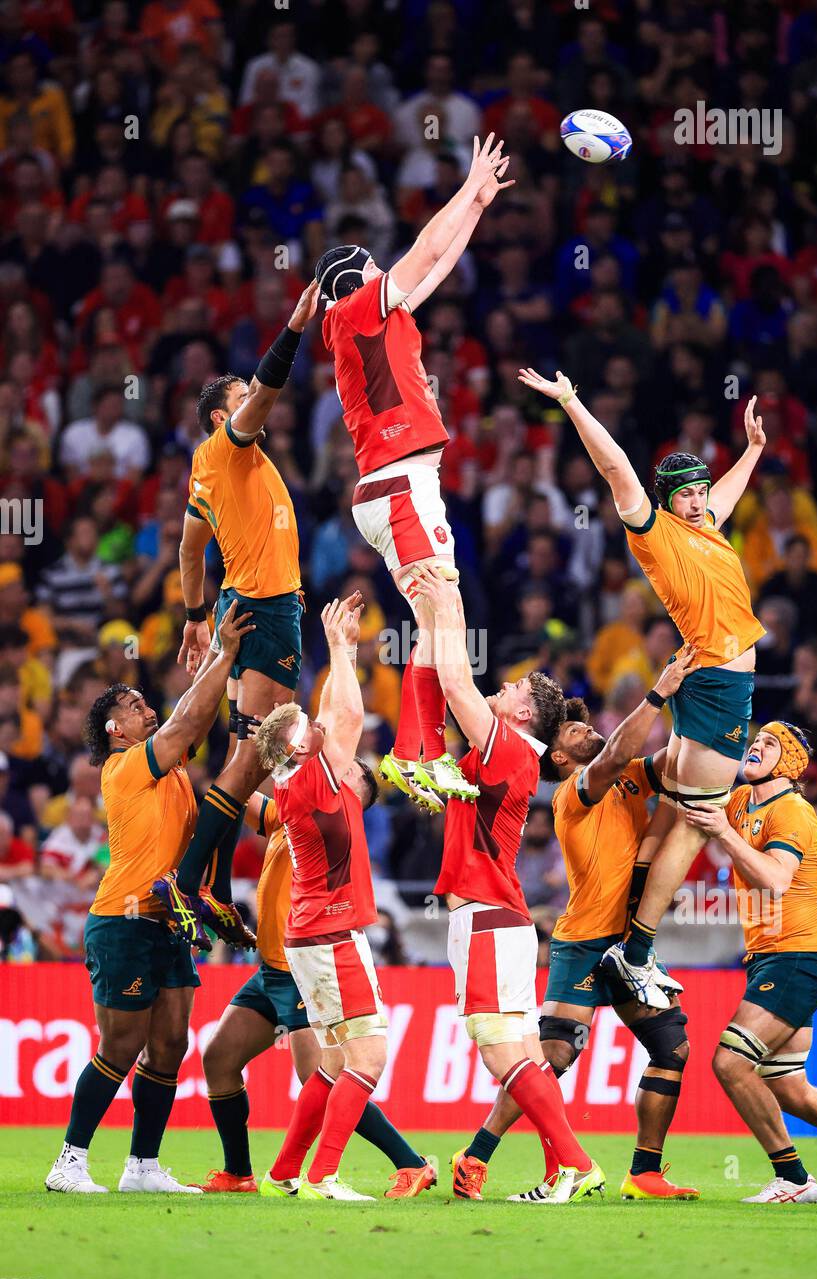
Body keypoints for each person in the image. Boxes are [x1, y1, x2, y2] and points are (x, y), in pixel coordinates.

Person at [519, 365, 767, 1009]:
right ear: (665, 500)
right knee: (700, 818)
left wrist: (753, 452)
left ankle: (631, 927)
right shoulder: (656, 534)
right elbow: (616, 469)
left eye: (701, 490)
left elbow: (726, 497)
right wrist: (573, 402)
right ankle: (637, 951)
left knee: (678, 803)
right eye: (685, 493)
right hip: (718, 686)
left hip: (703, 681)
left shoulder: (705, 524)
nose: (698, 498)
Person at [315, 133, 513, 814]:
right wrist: (465, 186)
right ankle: (419, 751)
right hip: (401, 487)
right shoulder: (352, 310)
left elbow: (433, 270)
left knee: (439, 621)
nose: (385, 269)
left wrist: (479, 206)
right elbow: (424, 251)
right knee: (445, 618)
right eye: (374, 264)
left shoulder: (375, 318)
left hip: (398, 487)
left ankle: (418, 750)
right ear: (354, 280)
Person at [469, 648, 701, 1203]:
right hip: (582, 942)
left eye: (586, 723)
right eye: (574, 730)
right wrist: (658, 692)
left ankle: (643, 1172)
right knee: (554, 1057)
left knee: (673, 1048)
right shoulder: (575, 793)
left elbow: (676, 755)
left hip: (628, 945)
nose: (587, 730)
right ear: (558, 757)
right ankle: (476, 1155)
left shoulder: (627, 778)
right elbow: (623, 745)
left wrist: (698, 701)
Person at [45, 601, 253, 1196]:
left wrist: (224, 676)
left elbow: (195, 723)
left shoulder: (175, 771)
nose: (144, 707)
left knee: (171, 1042)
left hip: (168, 922)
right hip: (122, 919)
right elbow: (188, 724)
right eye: (132, 707)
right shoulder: (126, 768)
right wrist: (223, 654)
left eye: (143, 702)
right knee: (122, 1042)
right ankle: (69, 1161)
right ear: (115, 730)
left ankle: (142, 1167)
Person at [411, 563, 603, 1204]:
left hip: (488, 916)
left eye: (513, 684)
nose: (503, 686)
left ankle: (576, 1164)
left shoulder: (508, 745)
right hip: (503, 918)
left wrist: (447, 602)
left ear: (524, 710)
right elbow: (439, 683)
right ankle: (560, 1168)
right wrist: (429, 615)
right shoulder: (502, 750)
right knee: (523, 1051)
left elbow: (458, 679)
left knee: (501, 1053)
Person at [252, 593, 436, 1201]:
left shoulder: (301, 786)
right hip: (331, 934)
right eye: (316, 735)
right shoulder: (316, 780)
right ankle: (324, 1177)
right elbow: (347, 719)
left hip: (309, 934)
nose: (353, 761)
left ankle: (283, 1173)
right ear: (303, 748)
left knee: (333, 1064)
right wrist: (341, 646)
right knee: (369, 1058)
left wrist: (341, 654)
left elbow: (335, 718)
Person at [156, 279, 320, 941]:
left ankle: (220, 888)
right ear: (225, 418)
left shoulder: (211, 475)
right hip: (270, 610)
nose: (250, 402)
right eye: (239, 400)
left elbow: (190, 549)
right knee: (258, 758)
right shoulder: (229, 448)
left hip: (238, 607)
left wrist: (196, 618)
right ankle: (185, 879)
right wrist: (296, 326)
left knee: (239, 750)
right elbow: (271, 385)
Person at [198, 774, 437, 1199]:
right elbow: (233, 790)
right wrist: (240, 748)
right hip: (270, 971)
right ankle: (241, 1172)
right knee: (218, 1060)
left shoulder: (331, 827)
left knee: (324, 1075)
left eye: (349, 776)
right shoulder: (287, 817)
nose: (335, 775)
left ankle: (408, 1162)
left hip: (301, 971)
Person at [685, 721, 817, 1206]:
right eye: (755, 739)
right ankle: (799, 1178)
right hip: (772, 958)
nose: (755, 746)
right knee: (790, 1088)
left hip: (797, 957)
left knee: (730, 1062)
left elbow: (775, 881)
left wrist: (723, 832)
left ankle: (794, 1178)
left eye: (769, 743)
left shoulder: (795, 813)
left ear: (788, 762)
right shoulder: (743, 802)